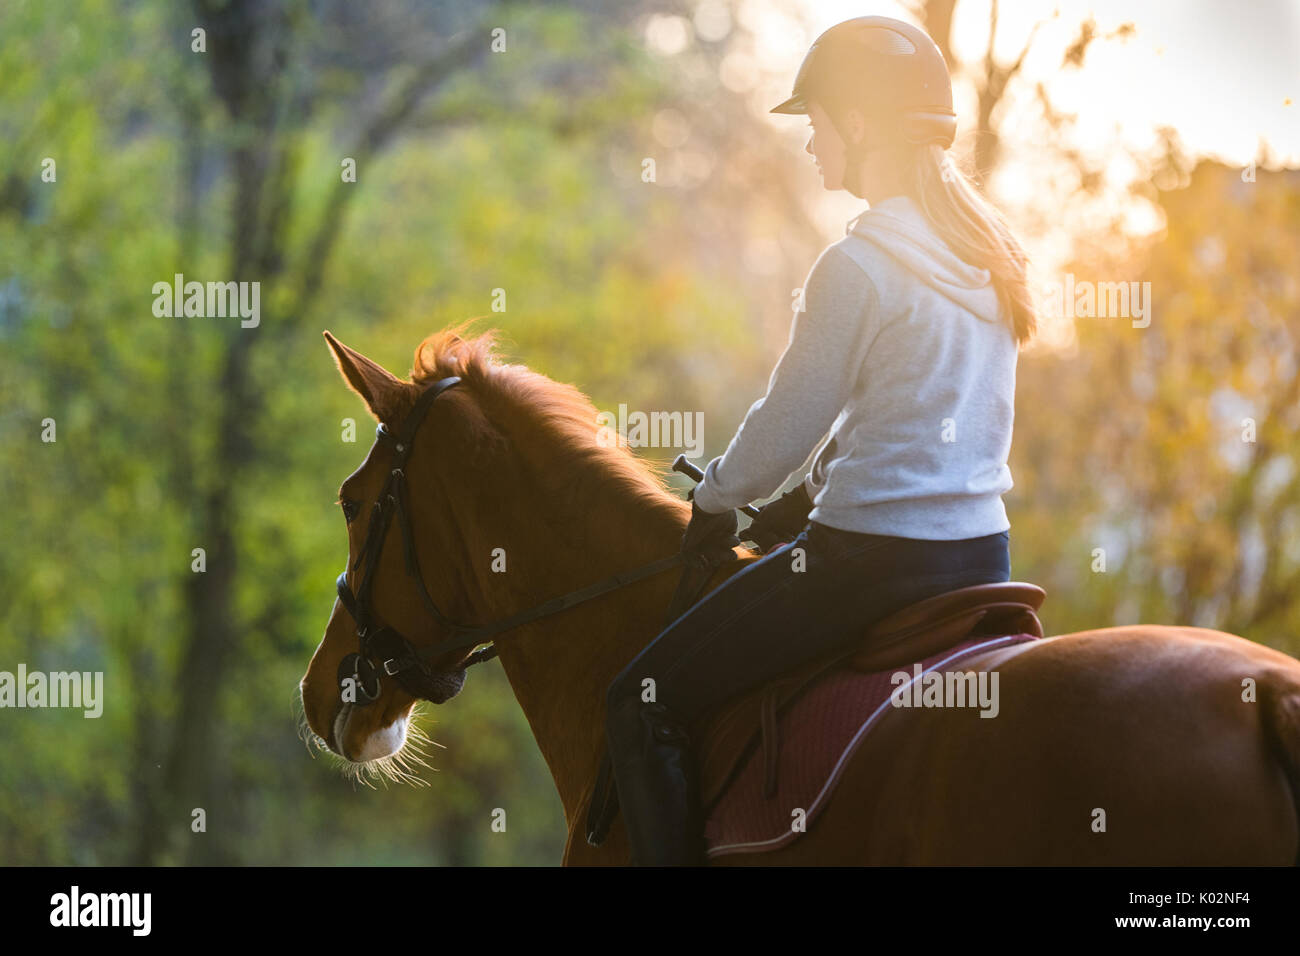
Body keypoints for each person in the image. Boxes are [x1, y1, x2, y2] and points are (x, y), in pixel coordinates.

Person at [604, 15, 1038, 866]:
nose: (809, 143)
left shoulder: (858, 265)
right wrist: (799, 504)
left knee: (639, 701)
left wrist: (717, 497)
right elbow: (904, 423)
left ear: (863, 124)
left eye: (817, 121)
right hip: (984, 557)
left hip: (867, 565)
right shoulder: (988, 260)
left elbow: (787, 425)